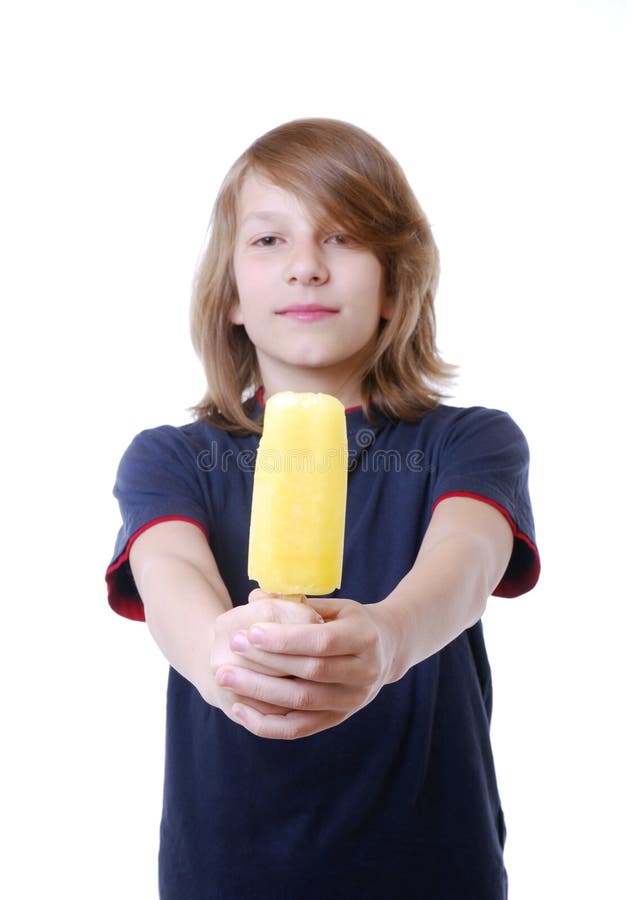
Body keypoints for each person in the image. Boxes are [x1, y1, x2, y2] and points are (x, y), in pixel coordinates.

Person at [106, 118, 540, 900]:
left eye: (341, 238)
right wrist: (218, 655)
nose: (305, 267)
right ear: (231, 294)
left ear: (393, 286)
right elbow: (168, 574)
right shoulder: (173, 460)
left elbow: (466, 561)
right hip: (224, 877)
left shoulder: (467, 443)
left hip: (433, 871)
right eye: (269, 241)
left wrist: (388, 635)